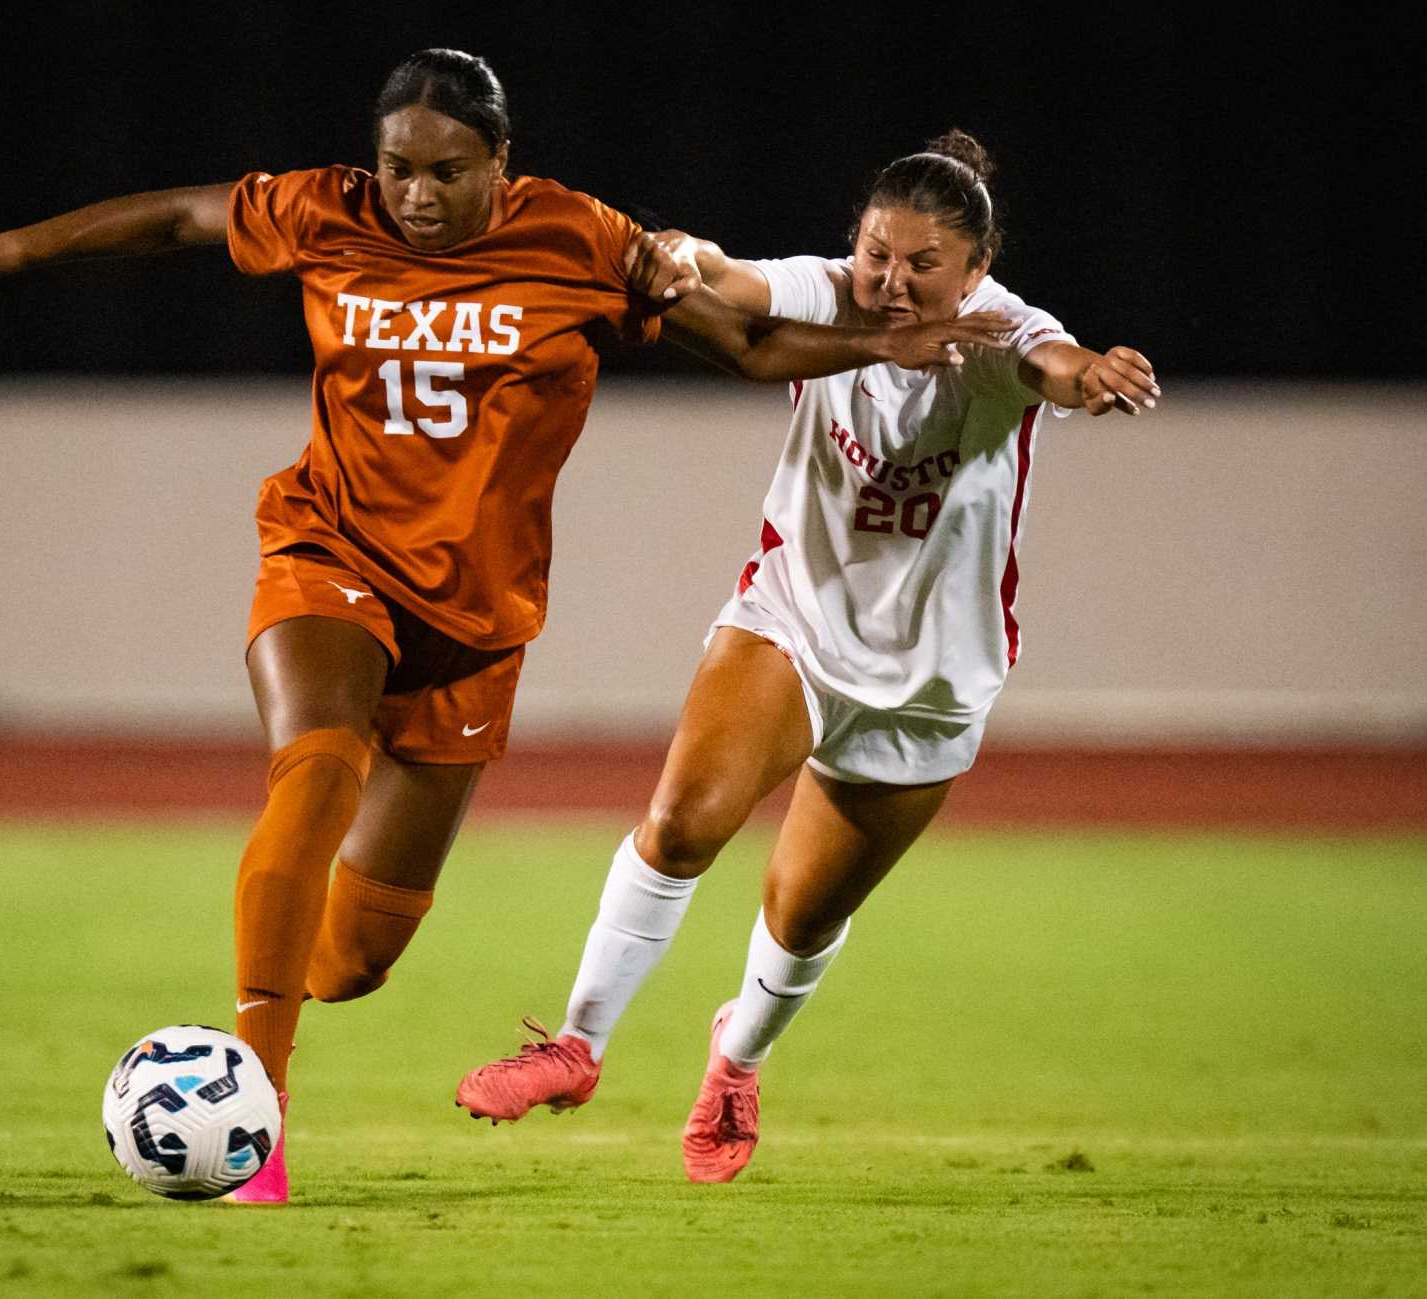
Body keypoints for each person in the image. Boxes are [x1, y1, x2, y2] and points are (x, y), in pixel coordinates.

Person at [0, 53, 1012, 1204]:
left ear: (499, 167)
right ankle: (256, 1117)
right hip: (329, 554)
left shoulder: (572, 239)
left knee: (354, 959)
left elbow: (750, 347)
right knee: (314, 768)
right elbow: (179, 215)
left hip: (472, 623)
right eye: (397, 168)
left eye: (445, 173)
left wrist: (881, 342)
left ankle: (273, 984)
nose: (414, 195)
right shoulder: (325, 212)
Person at [454, 130, 1160, 1183]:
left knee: (802, 915)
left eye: (922, 265)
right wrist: (680, 255)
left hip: (927, 686)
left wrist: (1089, 372)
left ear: (975, 270)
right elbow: (731, 277)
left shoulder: (1003, 333)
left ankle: (733, 1065)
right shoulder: (827, 295)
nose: (891, 281)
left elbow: (1046, 365)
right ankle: (575, 1046)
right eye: (878, 253)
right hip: (793, 625)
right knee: (684, 825)